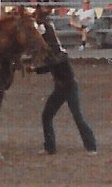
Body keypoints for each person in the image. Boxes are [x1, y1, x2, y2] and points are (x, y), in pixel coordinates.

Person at [34, 17, 97, 155]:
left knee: (75, 116)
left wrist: (35, 70)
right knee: (51, 116)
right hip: (63, 87)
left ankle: (91, 146)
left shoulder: (59, 54)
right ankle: (52, 147)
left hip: (67, 87)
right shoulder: (58, 52)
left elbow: (51, 65)